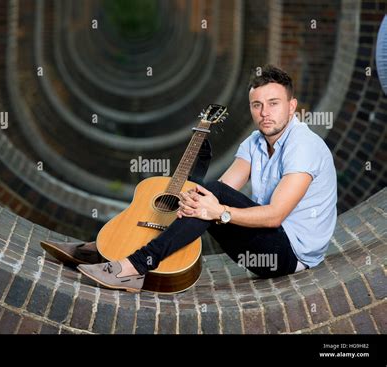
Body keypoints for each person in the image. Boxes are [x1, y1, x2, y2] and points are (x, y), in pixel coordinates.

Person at [42, 65, 337, 293]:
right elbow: (220, 188)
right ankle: (107, 249)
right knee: (201, 197)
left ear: (292, 105)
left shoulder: (303, 146)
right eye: (257, 105)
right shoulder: (254, 142)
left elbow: (273, 217)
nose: (264, 113)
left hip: (288, 254)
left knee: (210, 200)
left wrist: (218, 211)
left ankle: (135, 264)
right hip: (260, 243)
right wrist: (198, 197)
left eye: (273, 103)